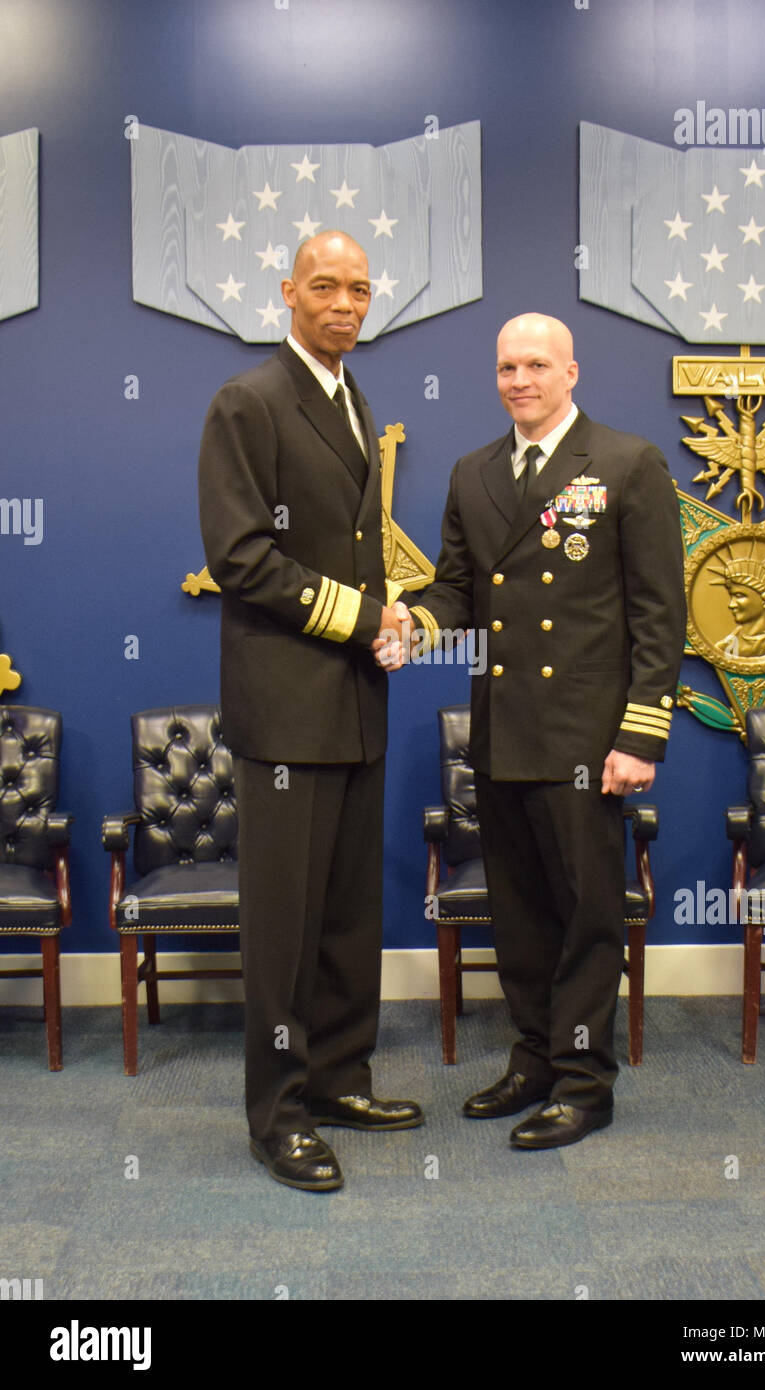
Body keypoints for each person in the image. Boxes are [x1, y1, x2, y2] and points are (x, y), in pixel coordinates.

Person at [377, 313, 685, 1149]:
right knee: (518, 912)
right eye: (508, 366)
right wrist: (412, 624)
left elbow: (662, 616)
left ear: (572, 372)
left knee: (586, 914)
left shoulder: (627, 463)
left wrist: (642, 737)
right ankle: (535, 1059)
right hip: (503, 732)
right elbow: (456, 593)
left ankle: (585, 1083)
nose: (521, 379)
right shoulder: (474, 472)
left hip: (590, 741)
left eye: (537, 365)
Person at [199, 230, 422, 1192]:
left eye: (360, 289)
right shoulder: (248, 401)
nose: (344, 303)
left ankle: (337, 1078)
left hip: (353, 701)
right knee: (284, 926)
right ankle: (278, 1115)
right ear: (286, 290)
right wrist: (361, 617)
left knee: (344, 914)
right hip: (288, 707)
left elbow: (352, 543)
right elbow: (242, 559)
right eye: (324, 286)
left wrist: (387, 622)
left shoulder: (349, 397)